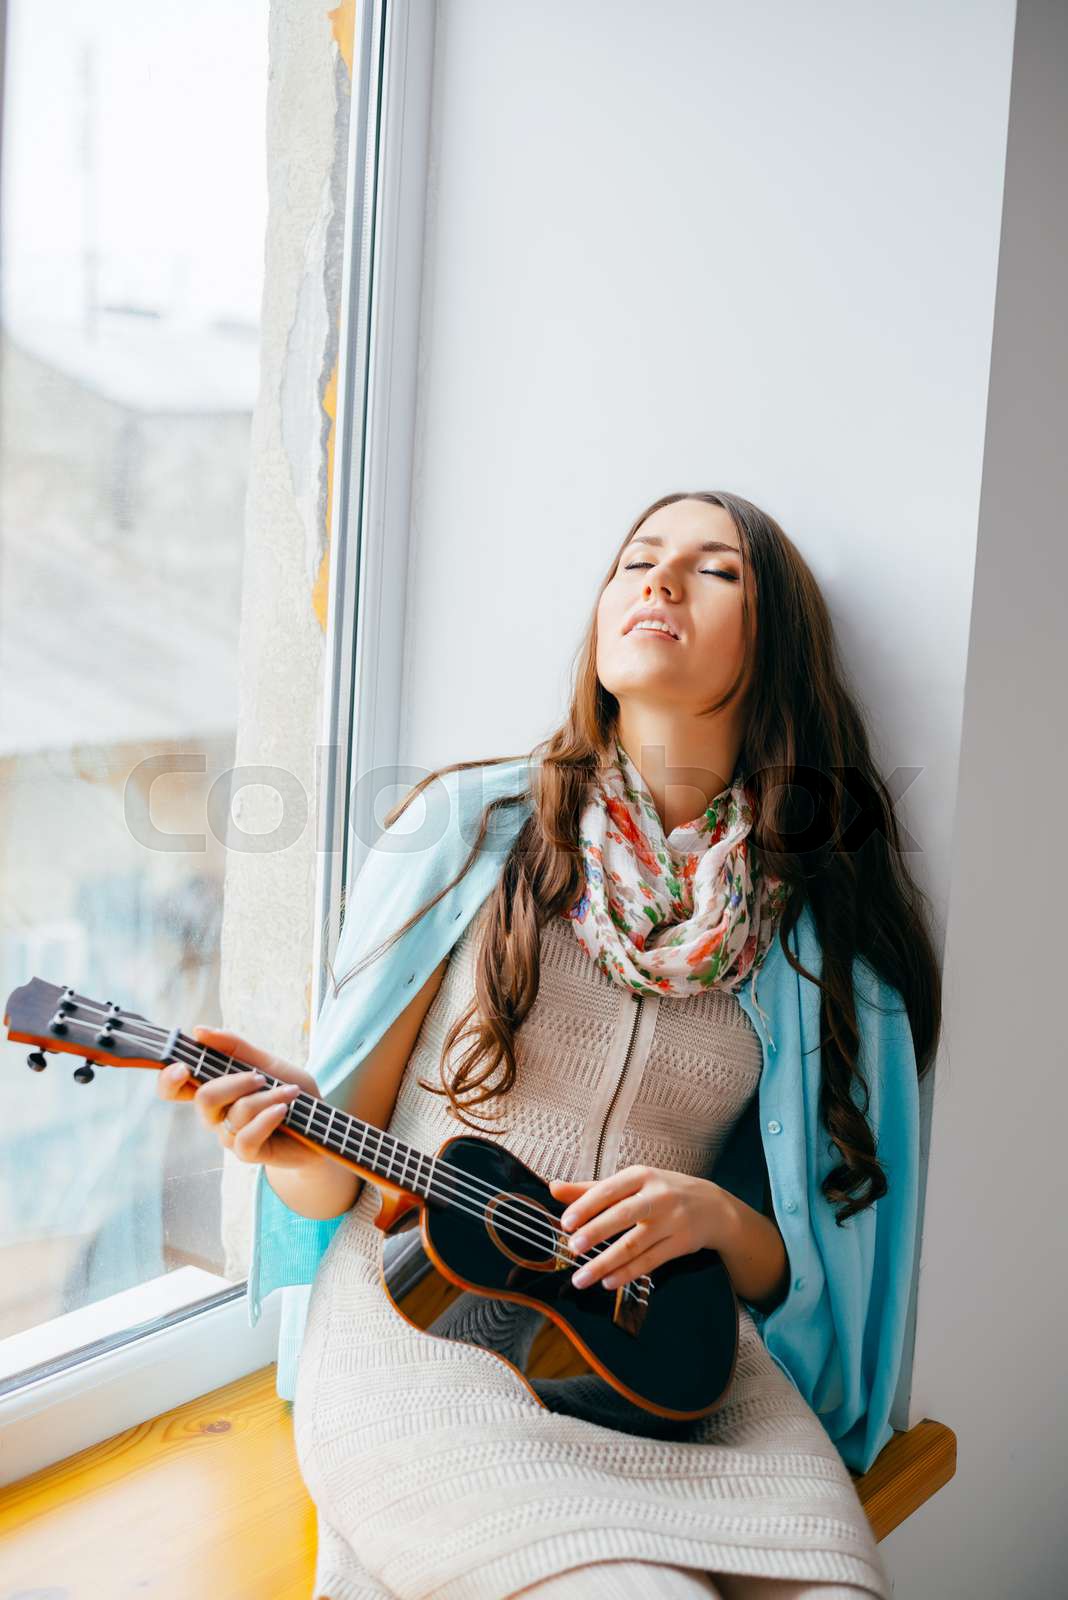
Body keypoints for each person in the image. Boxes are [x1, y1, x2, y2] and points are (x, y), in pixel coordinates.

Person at [159, 490, 941, 1600]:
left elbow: (818, 1256)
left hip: (681, 1367)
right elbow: (337, 1172)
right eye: (637, 559)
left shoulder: (811, 930)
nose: (660, 582)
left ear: (779, 651)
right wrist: (283, 1129)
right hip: (429, 1341)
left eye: (715, 570)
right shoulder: (467, 833)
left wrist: (717, 1217)